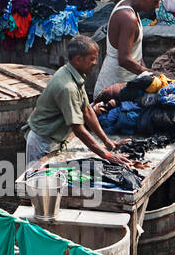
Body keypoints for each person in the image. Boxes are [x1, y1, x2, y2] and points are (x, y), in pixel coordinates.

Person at [23, 35, 125, 167]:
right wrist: (107, 155)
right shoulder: (67, 87)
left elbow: (87, 110)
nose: (95, 63)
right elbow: (77, 128)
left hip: (55, 139)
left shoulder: (74, 74)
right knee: (38, 183)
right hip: (43, 142)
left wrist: (106, 141)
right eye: (92, 59)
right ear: (78, 60)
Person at [98, 0, 163, 91]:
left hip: (126, 79)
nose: (157, 6)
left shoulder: (127, 4)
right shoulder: (128, 18)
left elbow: (135, 51)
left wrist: (144, 72)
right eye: (155, 2)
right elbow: (124, 59)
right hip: (115, 82)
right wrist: (150, 73)